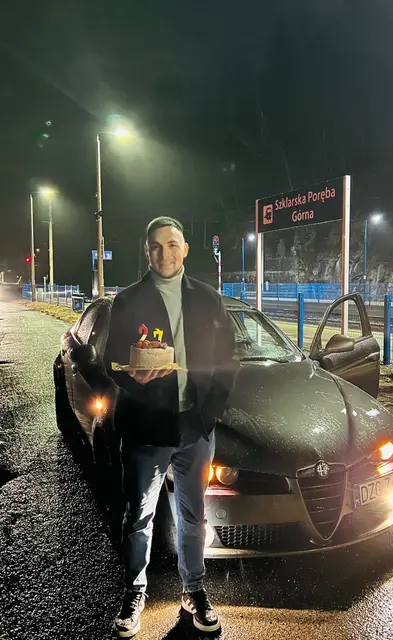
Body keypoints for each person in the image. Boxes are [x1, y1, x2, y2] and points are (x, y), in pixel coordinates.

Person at [103, 216, 239, 638]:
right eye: (157, 246)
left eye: (173, 244)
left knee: (193, 515)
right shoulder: (128, 300)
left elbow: (228, 358)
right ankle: (134, 592)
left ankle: (193, 589)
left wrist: (210, 413)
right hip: (145, 429)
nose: (165, 253)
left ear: (185, 250)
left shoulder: (208, 299)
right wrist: (133, 378)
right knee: (138, 516)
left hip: (194, 428)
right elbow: (111, 361)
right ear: (147, 252)